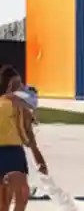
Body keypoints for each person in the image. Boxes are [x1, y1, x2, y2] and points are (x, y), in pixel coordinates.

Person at [1, 66, 47, 211]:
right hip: (6, 152)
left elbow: (28, 134)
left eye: (20, 84)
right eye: (16, 84)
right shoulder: (11, 104)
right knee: (7, 201)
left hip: (15, 152)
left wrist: (39, 158)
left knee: (20, 194)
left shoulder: (20, 106)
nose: (19, 88)